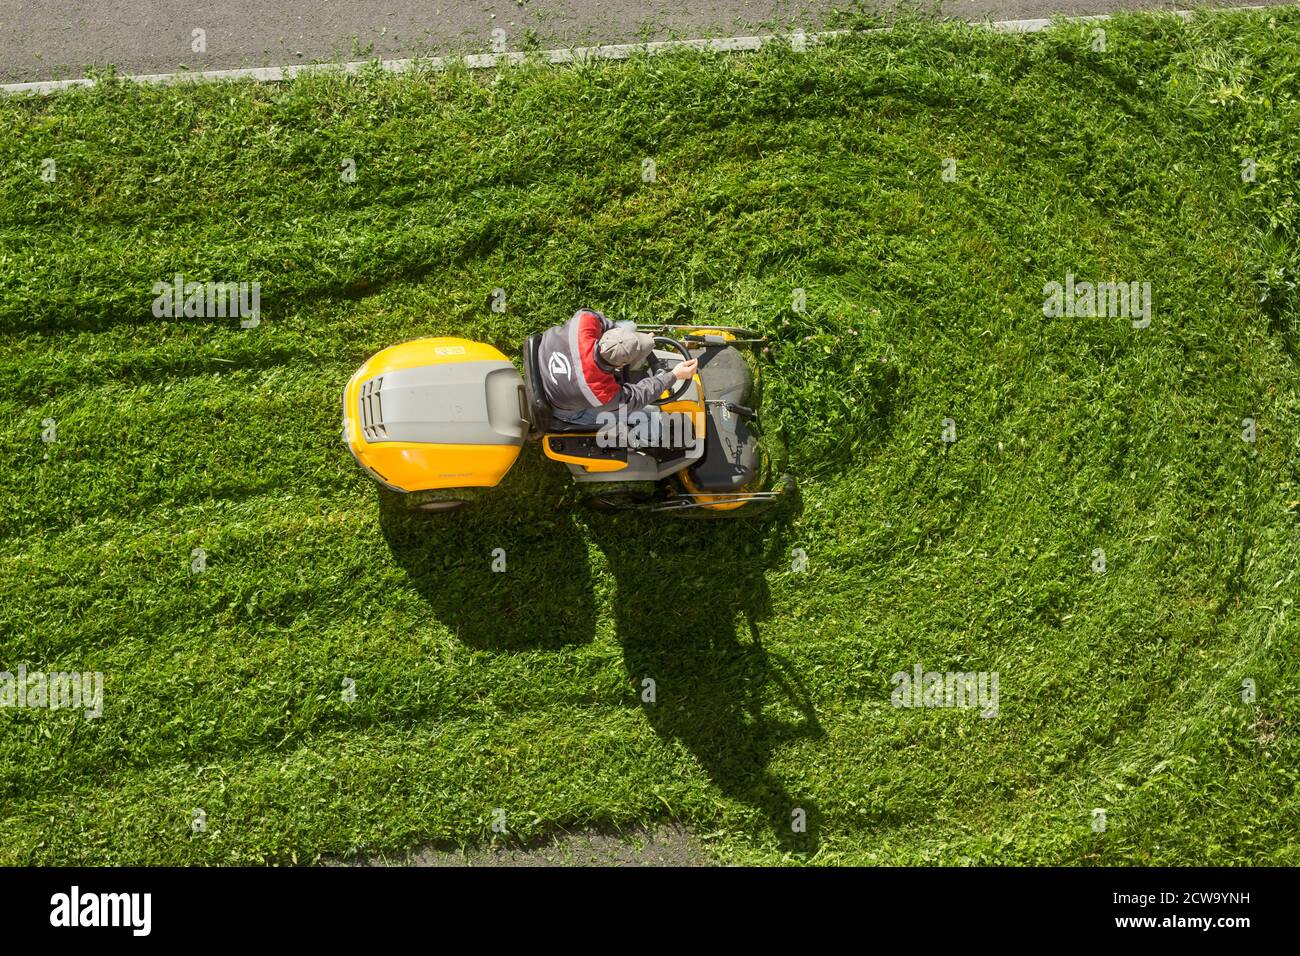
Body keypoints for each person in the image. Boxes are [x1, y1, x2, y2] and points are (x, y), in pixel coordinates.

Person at [538, 308, 697, 428]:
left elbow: (601, 320)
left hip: (543, 363)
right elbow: (636, 399)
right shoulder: (601, 393)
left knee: (630, 326)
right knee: (644, 414)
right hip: (563, 410)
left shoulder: (584, 321)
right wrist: (674, 376)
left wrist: (625, 340)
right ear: (620, 366)